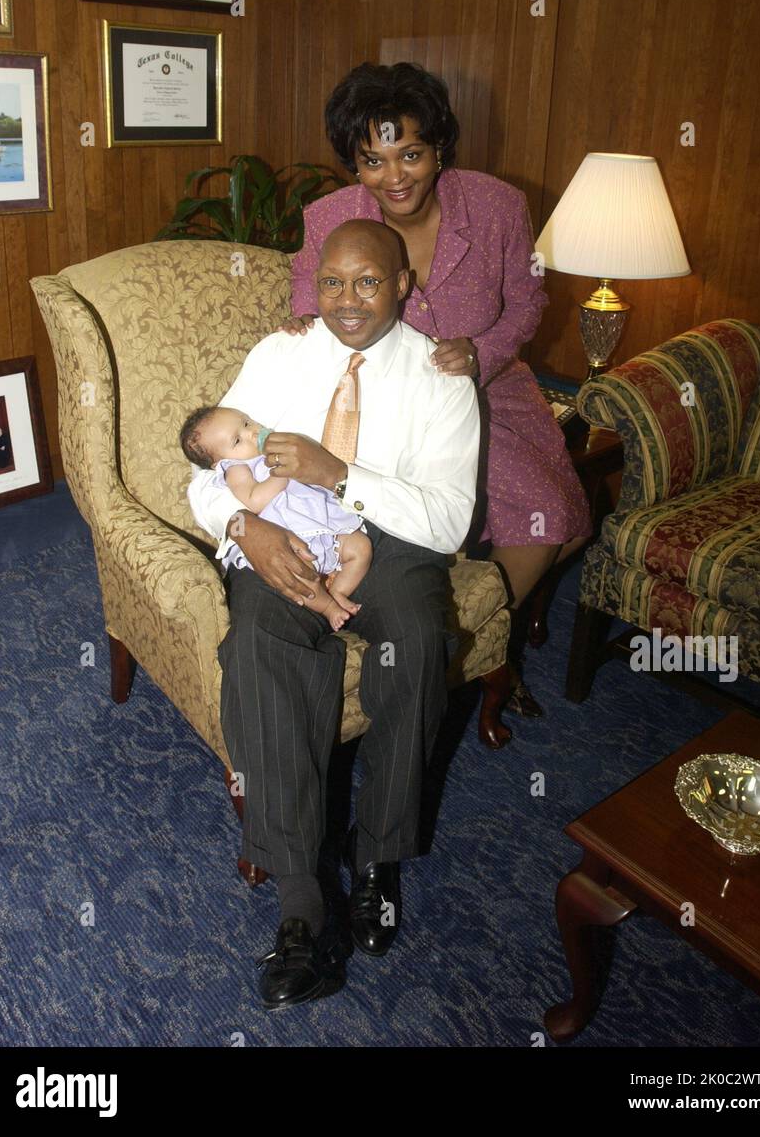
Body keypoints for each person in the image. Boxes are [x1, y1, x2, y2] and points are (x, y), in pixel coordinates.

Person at [188, 219, 479, 1010]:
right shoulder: (277, 355)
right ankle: (300, 901)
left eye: (369, 282)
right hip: (278, 529)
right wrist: (244, 524)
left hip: (390, 542)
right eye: (333, 282)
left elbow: (449, 521)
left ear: (404, 284)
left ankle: (378, 858)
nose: (347, 301)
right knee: (256, 643)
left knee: (418, 642)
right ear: (313, 283)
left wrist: (340, 476)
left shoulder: (443, 376)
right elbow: (210, 472)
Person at [284, 62, 592, 717]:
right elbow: (309, 313)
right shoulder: (327, 220)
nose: (394, 177)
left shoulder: (498, 206)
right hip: (381, 398)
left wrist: (481, 352)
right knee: (393, 510)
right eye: (372, 160)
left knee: (546, 511)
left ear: (438, 149)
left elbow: (526, 305)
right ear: (353, 166)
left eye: (411, 154)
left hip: (486, 390)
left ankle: (467, 645)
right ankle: (436, 649)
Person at [179, 403, 372, 630]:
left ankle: (338, 591)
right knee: (299, 579)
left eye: (246, 422)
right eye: (237, 440)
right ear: (219, 462)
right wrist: (280, 474)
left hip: (320, 523)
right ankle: (328, 607)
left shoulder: (274, 447)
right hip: (290, 538)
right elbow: (253, 499)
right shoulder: (236, 469)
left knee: (361, 547)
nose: (251, 432)